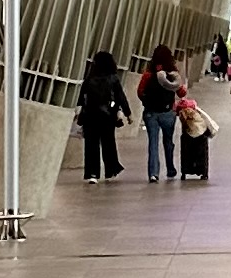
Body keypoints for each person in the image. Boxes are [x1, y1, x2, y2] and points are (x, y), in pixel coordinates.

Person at [76, 45, 131, 182]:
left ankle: (93, 174)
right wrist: (128, 113)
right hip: (108, 116)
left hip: (90, 116)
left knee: (91, 145)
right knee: (108, 143)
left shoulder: (89, 79)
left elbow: (81, 98)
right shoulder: (113, 79)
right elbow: (120, 97)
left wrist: (78, 112)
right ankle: (110, 170)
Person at [138, 41, 182, 182]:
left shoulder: (148, 75)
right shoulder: (173, 75)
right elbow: (181, 92)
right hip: (168, 112)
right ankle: (170, 168)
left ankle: (153, 173)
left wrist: (147, 101)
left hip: (151, 113)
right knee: (168, 142)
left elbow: (140, 92)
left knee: (153, 143)